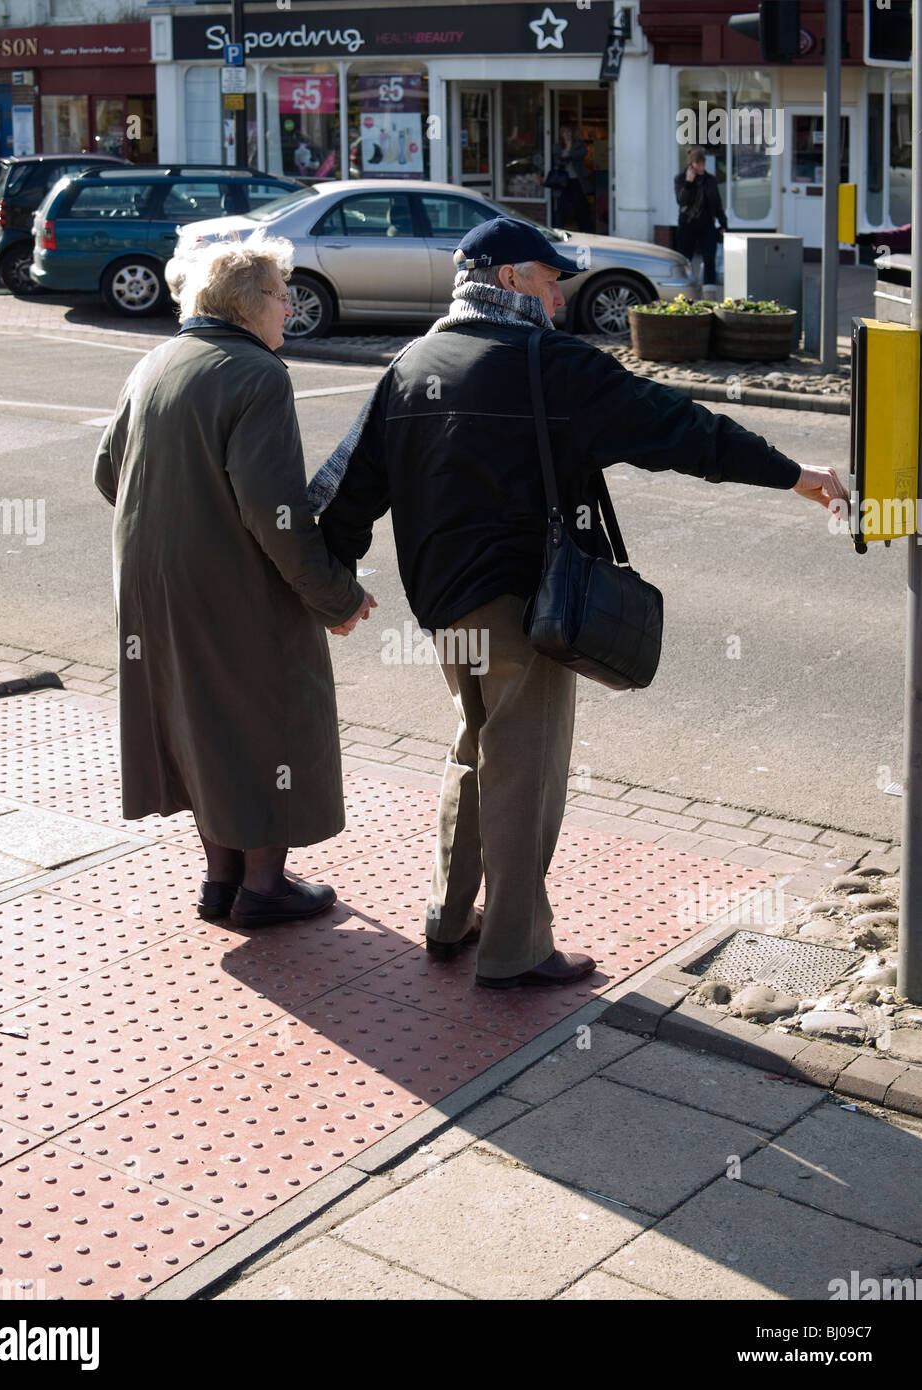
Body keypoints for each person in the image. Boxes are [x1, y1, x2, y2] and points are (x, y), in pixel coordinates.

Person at [313, 216, 846, 989]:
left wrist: (338, 586)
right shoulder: (549, 364)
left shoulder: (412, 364)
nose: (560, 298)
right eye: (549, 278)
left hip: (442, 609)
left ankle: (448, 915)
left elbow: (351, 488)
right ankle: (515, 950)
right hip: (523, 606)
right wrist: (792, 474)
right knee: (523, 771)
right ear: (507, 280)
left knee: (472, 747)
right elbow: (683, 431)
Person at [94, 240, 376, 929]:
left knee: (199, 721)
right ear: (249, 305)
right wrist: (338, 597)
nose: (289, 305)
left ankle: (220, 880)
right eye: (281, 293)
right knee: (266, 718)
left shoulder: (156, 360)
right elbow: (274, 513)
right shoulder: (257, 372)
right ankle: (263, 886)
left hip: (147, 580)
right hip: (228, 583)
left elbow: (108, 472)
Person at [674, 145, 728, 289]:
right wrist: (688, 183)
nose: (701, 167)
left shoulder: (710, 180)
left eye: (703, 163)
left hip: (707, 226)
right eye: (698, 163)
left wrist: (723, 224)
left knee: (710, 260)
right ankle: (685, 291)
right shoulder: (680, 179)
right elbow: (681, 201)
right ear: (691, 164)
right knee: (686, 260)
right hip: (687, 225)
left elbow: (717, 203)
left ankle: (709, 293)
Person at [550, 124, 594, 233]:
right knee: (561, 206)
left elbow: (581, 154)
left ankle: (585, 229)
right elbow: (557, 159)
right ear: (561, 134)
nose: (567, 134)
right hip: (562, 181)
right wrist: (568, 154)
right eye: (564, 132)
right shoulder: (557, 146)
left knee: (580, 205)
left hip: (577, 180)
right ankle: (558, 229)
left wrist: (567, 153)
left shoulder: (579, 144)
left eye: (569, 132)